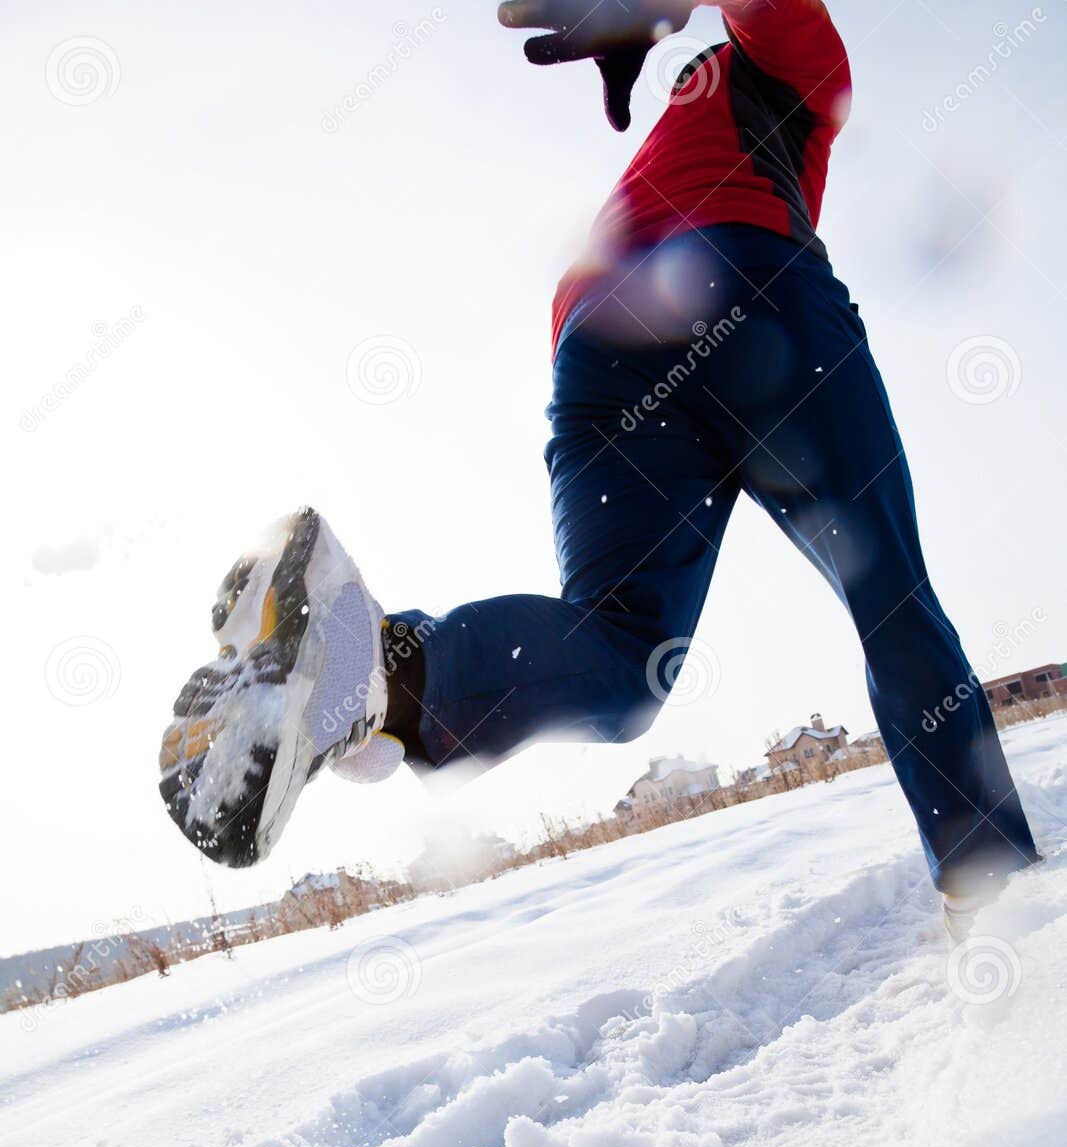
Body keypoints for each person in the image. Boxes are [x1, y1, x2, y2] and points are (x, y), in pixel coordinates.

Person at [159, 0, 1039, 936]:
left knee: (622, 667)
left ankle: (373, 670)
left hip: (602, 342)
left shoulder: (668, 157)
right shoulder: (808, 83)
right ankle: (995, 904)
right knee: (893, 603)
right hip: (750, 295)